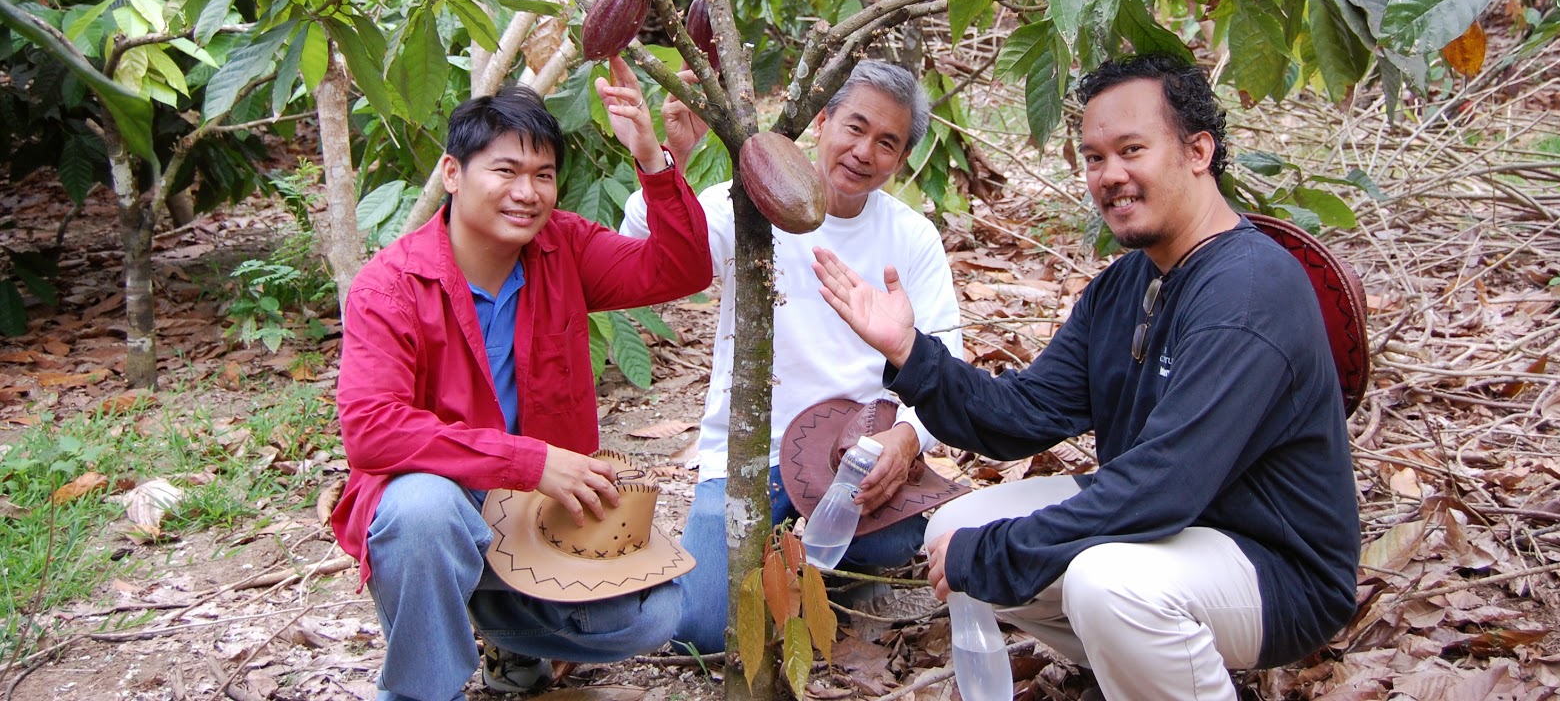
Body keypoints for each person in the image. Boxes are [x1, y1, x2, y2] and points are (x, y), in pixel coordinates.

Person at [811, 54, 1360, 701]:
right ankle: (1152, 669)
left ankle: (1171, 665)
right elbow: (1020, 416)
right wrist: (910, 351)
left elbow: (1162, 486)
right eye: (1095, 157)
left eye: (1132, 149)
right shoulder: (1129, 283)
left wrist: (993, 555)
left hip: (1276, 567)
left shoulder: (1246, 293)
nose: (1111, 175)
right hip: (1178, 533)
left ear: (1197, 152)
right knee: (951, 530)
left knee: (1105, 585)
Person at [331, 58, 713, 701]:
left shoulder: (561, 248)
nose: (527, 191)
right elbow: (372, 432)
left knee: (660, 616)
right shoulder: (390, 285)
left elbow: (680, 270)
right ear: (453, 174)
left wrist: (653, 158)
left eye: (543, 176)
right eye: (505, 171)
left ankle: (505, 636)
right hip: (447, 502)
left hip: (533, 511)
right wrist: (530, 460)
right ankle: (422, 688)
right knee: (421, 512)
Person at [622, 59, 965, 655]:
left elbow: (947, 363)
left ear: (902, 158)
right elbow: (645, 255)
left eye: (886, 142)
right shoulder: (749, 207)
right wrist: (664, 159)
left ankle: (806, 571)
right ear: (823, 121)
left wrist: (905, 442)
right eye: (854, 128)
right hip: (750, 454)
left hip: (851, 461)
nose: (864, 152)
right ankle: (794, 570)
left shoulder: (911, 238)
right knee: (702, 634)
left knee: (895, 539)